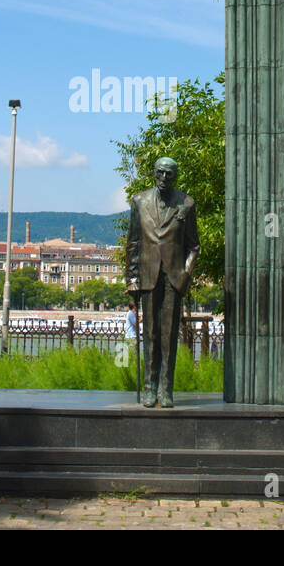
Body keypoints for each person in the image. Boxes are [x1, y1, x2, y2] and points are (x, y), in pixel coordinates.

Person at [125, 156, 199, 408]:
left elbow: (193, 246)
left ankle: (165, 389)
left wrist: (185, 275)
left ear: (176, 176)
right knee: (151, 334)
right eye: (160, 173)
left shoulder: (186, 203)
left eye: (169, 174)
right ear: (154, 173)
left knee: (169, 336)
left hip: (174, 278)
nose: (164, 178)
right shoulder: (139, 201)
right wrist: (132, 280)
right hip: (147, 276)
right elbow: (133, 244)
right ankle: (149, 388)